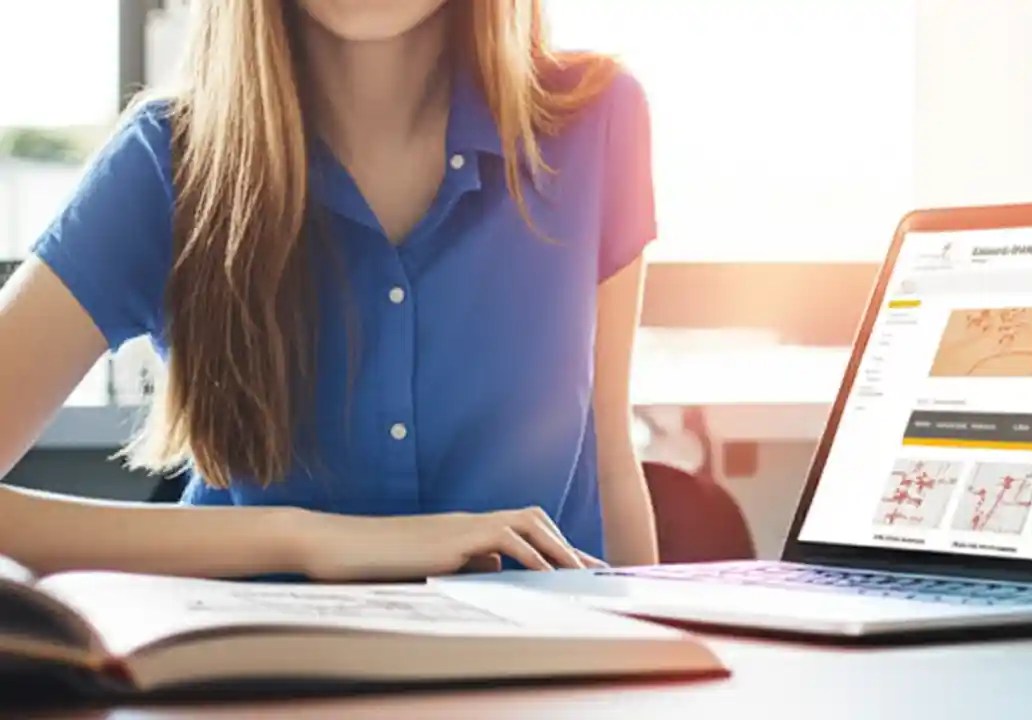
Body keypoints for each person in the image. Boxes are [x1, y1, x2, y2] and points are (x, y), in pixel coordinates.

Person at [0, 0, 659, 580]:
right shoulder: (169, 162)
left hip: (543, 687)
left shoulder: (596, 117)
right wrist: (306, 539)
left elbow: (608, 465)